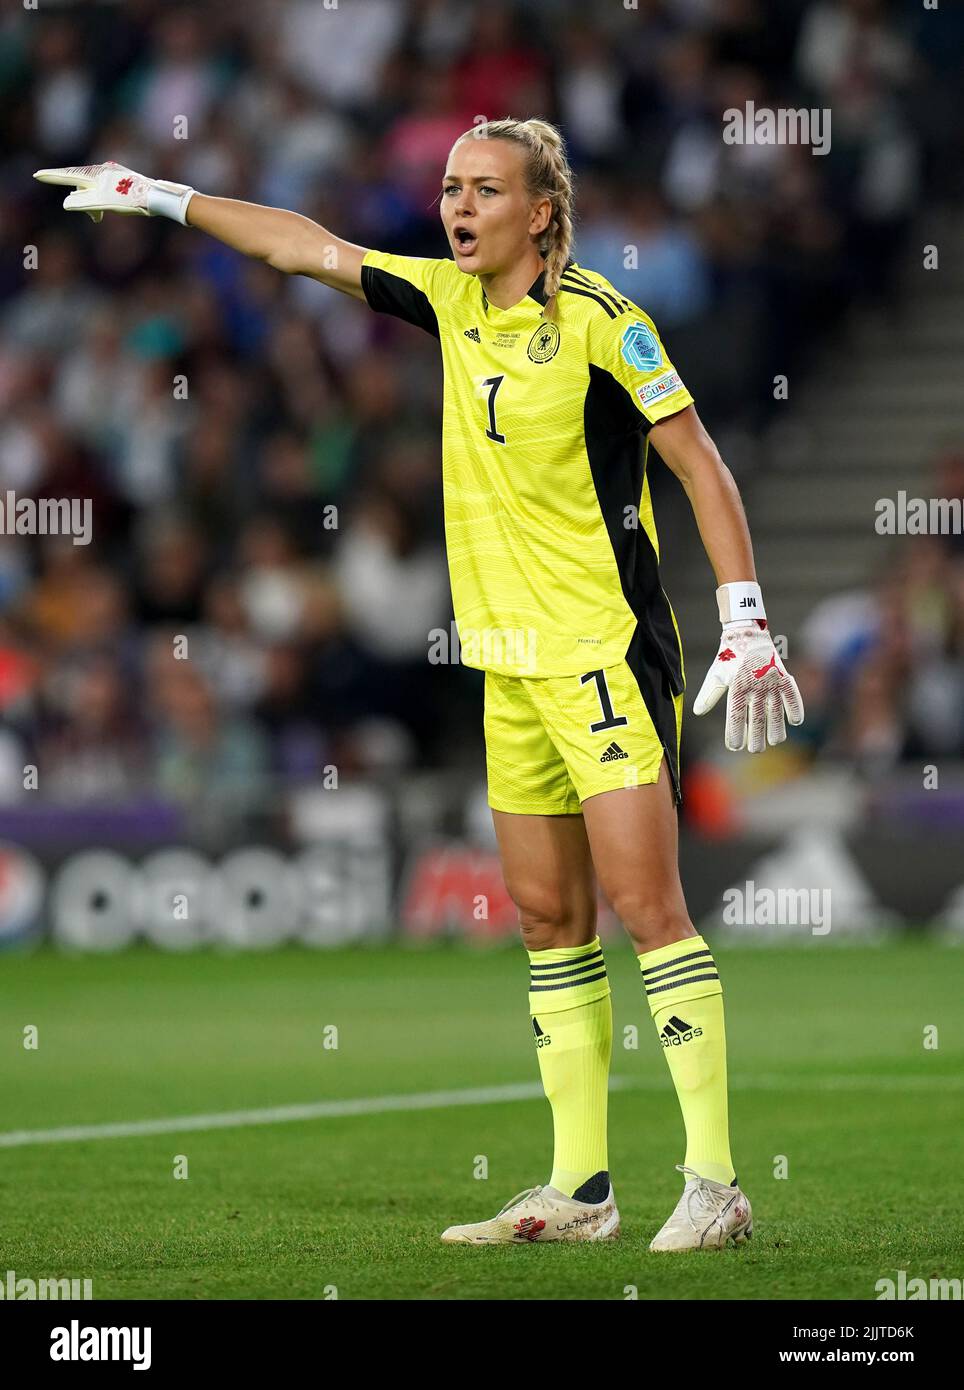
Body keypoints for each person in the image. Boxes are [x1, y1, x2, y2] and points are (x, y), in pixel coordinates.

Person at [36, 119, 803, 1251]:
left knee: (649, 911)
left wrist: (745, 618)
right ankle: (581, 1191)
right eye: (450, 186)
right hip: (504, 663)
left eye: (484, 189)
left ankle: (715, 1183)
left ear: (540, 212)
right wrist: (156, 193)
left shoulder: (601, 321)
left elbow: (698, 459)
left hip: (602, 652)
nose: (457, 205)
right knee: (548, 920)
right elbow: (301, 246)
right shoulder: (444, 298)